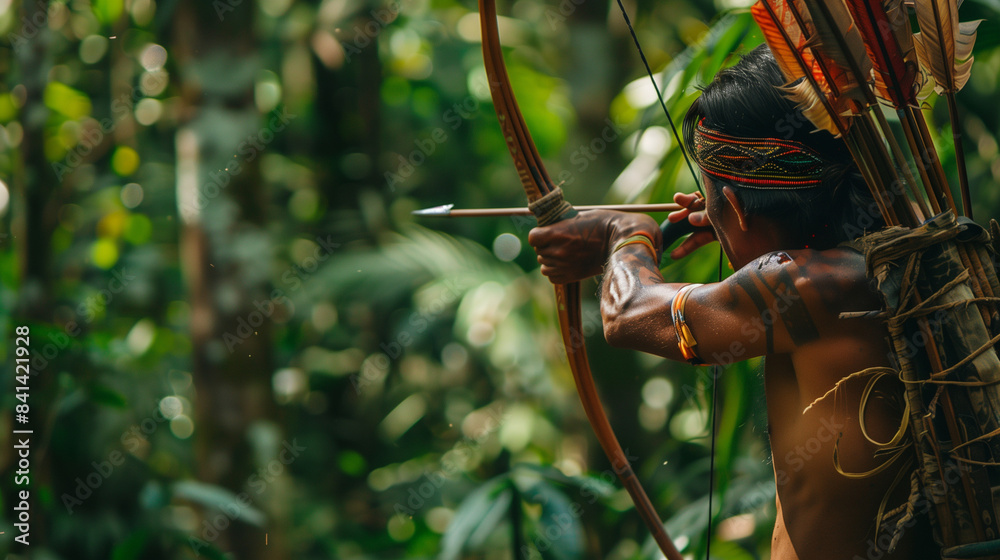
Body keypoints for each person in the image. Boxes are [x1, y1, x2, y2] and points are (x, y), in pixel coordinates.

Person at [528, 44, 938, 559]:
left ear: (739, 209)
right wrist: (730, 224)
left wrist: (624, 231)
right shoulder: (914, 247)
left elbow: (627, 313)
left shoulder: (807, 286)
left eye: (718, 204)